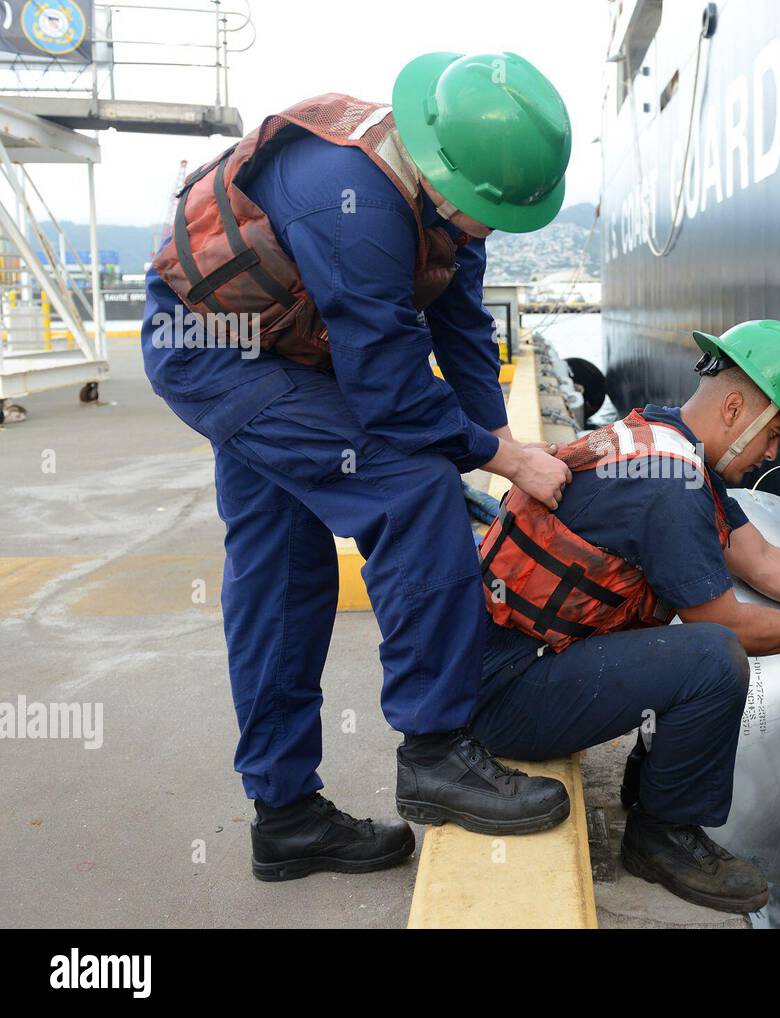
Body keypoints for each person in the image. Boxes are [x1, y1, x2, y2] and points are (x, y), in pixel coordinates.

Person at [142, 52, 575, 882]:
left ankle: (286, 820)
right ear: (446, 173)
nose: (486, 230)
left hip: (287, 355)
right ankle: (438, 753)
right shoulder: (354, 201)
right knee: (413, 493)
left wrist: (504, 447)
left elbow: (460, 330)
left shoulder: (448, 204)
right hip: (214, 353)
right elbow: (392, 394)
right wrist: (503, 456)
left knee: (281, 570)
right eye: (484, 213)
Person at [470, 320, 780, 912]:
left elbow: (761, 559)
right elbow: (730, 627)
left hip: (508, 668)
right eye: (774, 435)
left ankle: (650, 785)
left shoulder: (666, 445)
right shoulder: (673, 486)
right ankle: (663, 834)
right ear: (735, 407)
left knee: (698, 655)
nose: (770, 454)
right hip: (504, 697)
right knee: (713, 658)